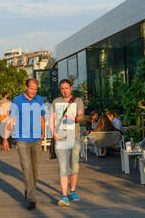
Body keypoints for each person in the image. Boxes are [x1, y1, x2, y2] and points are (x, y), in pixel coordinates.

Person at [5, 77, 47, 210]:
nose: (33, 91)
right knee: (26, 168)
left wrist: (43, 132)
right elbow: (11, 119)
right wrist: (5, 138)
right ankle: (31, 199)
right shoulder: (16, 100)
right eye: (31, 89)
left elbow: (41, 116)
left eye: (36, 89)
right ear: (26, 87)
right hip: (22, 139)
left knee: (35, 170)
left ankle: (29, 189)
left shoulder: (40, 100)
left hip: (36, 139)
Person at [52, 78, 85, 206]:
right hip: (61, 137)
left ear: (71, 88)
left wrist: (74, 118)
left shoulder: (78, 101)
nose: (64, 91)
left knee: (74, 165)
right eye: (62, 88)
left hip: (74, 137)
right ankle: (64, 195)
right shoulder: (56, 102)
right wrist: (53, 133)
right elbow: (52, 119)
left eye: (66, 88)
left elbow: (81, 115)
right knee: (63, 166)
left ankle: (73, 190)